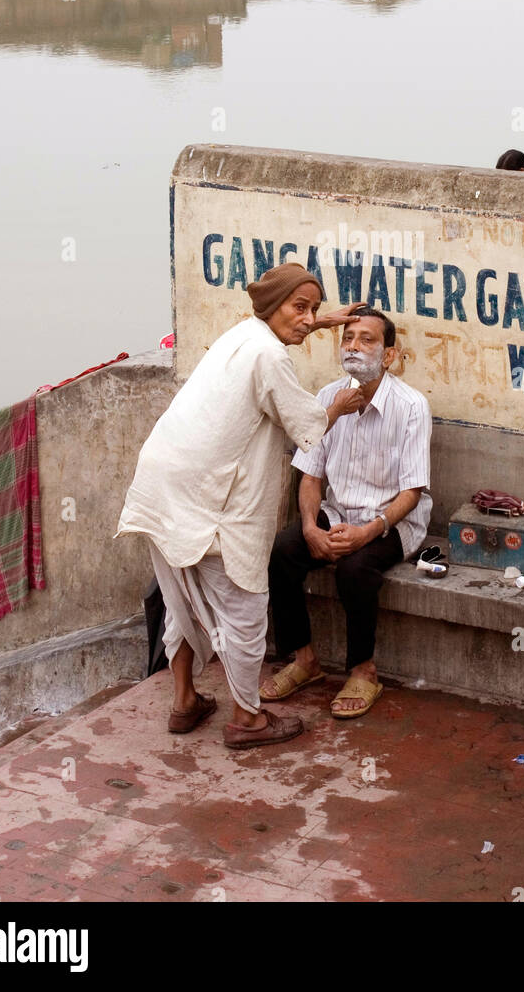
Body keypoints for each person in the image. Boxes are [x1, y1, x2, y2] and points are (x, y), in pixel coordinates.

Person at [115, 263, 365, 750]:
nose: (306, 317)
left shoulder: (242, 335)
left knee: (183, 597)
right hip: (207, 498)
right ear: (273, 308)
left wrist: (323, 319)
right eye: (300, 307)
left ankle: (185, 700)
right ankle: (248, 720)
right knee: (245, 607)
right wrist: (340, 405)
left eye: (312, 309)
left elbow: (286, 319)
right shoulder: (270, 358)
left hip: (163, 486)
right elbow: (307, 425)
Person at [261, 304, 432, 720]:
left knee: (356, 570)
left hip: (393, 520)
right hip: (336, 513)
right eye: (349, 338)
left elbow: (411, 492)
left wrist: (368, 532)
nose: (354, 346)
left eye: (367, 339)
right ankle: (304, 660)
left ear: (388, 355)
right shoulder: (326, 398)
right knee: (283, 550)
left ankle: (363, 671)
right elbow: (311, 477)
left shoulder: (411, 406)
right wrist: (309, 527)